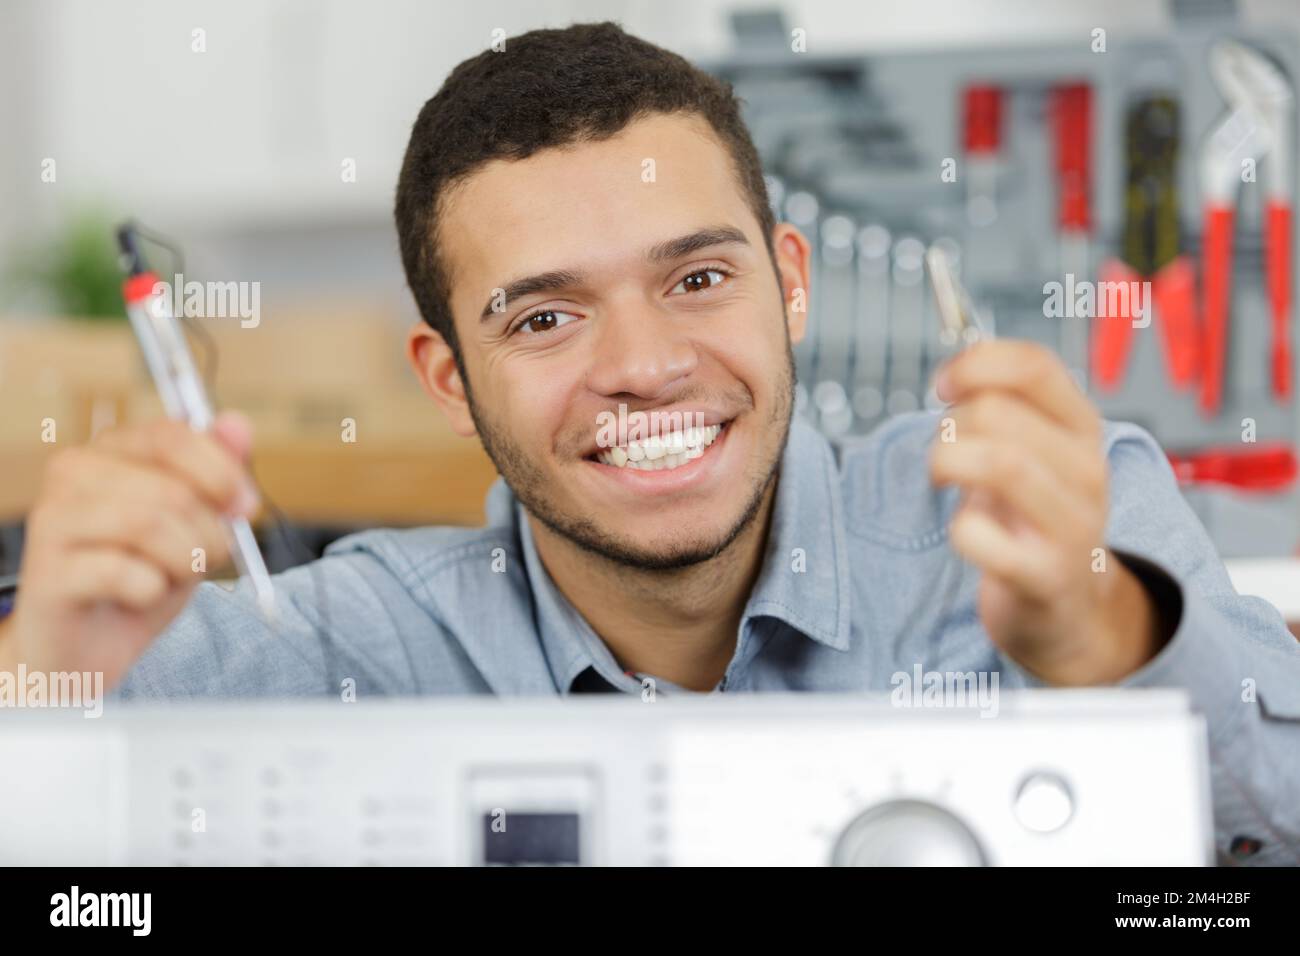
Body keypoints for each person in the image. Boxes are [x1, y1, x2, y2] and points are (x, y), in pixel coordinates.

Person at [1, 22, 1296, 865]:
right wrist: (40, 679)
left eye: (696, 280)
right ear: (450, 380)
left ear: (792, 284)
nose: (643, 368)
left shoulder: (1042, 520)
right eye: (548, 316)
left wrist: (1095, 643)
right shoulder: (342, 645)